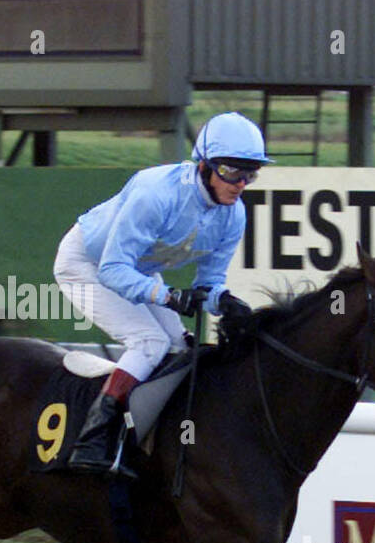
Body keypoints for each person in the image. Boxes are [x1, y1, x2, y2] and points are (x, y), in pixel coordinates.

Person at [53, 112, 272, 474]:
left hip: (136, 270)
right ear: (204, 166)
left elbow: (209, 283)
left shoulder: (234, 215)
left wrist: (225, 302)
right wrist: (168, 297)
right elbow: (112, 269)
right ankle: (91, 440)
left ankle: (150, 438)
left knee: (181, 347)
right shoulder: (156, 193)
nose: (240, 184)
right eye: (232, 172)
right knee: (150, 342)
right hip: (87, 264)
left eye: (250, 174)